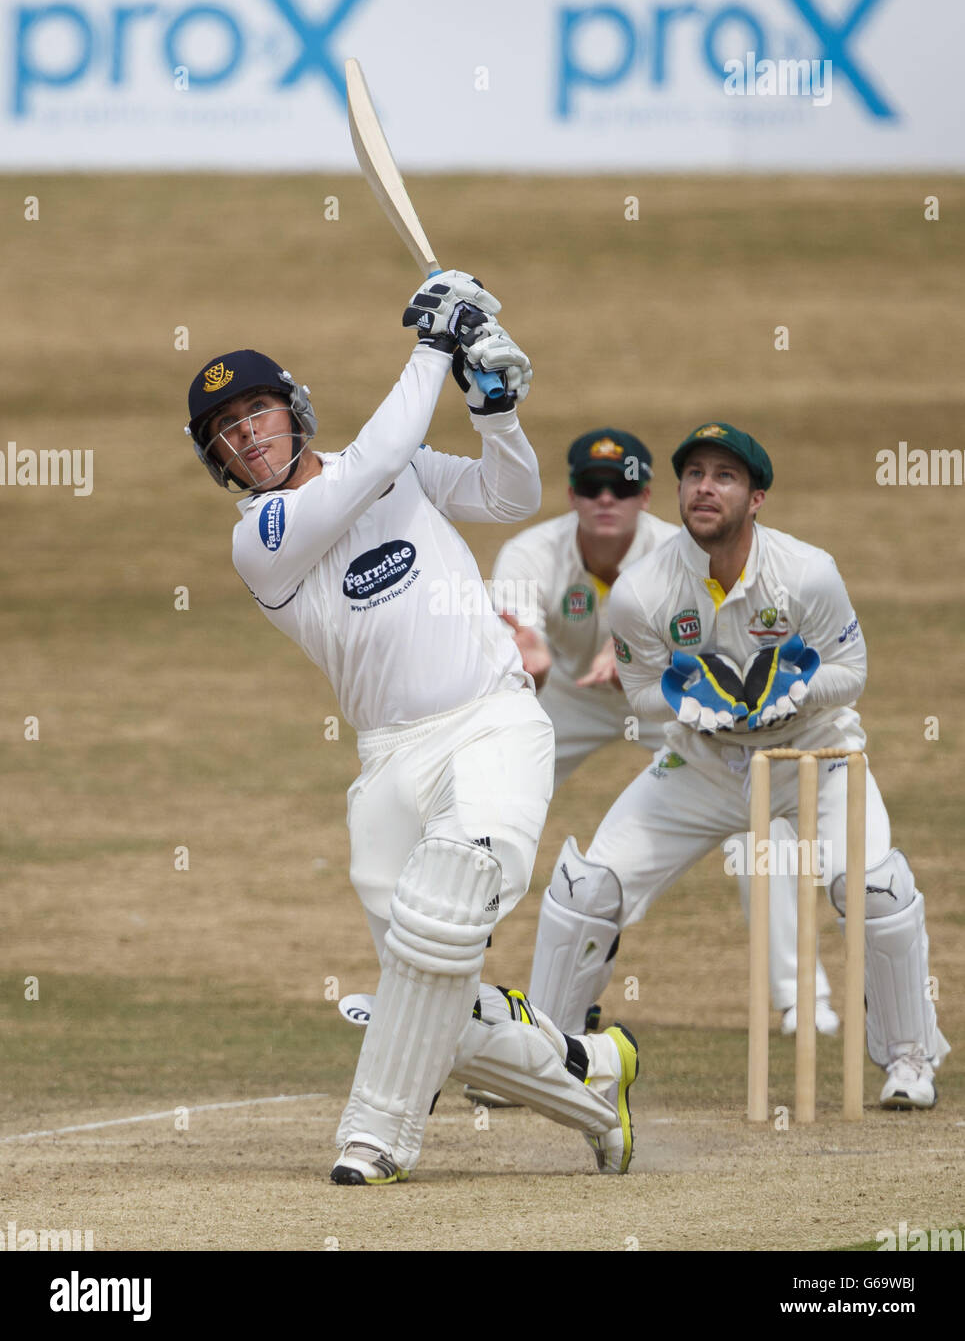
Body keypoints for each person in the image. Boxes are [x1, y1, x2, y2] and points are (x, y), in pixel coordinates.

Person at [183, 271, 639, 1183]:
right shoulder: (263, 537)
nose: (248, 436)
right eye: (229, 434)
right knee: (431, 988)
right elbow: (381, 453)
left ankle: (375, 1138)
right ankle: (593, 1076)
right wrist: (437, 343)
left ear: (294, 412)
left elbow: (508, 498)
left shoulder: (392, 468)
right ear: (221, 465)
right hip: (388, 759)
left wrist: (496, 409)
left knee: (442, 917)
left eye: (259, 413)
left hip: (491, 723)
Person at [527, 421, 948, 1109]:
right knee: (586, 891)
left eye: (724, 476)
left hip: (816, 755)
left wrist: (792, 692)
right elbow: (638, 690)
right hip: (700, 763)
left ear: (756, 497)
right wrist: (691, 704)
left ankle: (908, 1059)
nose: (704, 488)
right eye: (694, 475)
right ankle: (539, 1052)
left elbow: (853, 669)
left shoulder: (806, 572)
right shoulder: (641, 590)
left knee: (873, 891)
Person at [493, 429, 838, 1037]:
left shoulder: (673, 550)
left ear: (646, 496)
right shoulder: (530, 553)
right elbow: (522, 638)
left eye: (622, 488)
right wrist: (532, 653)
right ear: (571, 495)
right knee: (495, 790)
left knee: (766, 809)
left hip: (667, 699)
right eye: (592, 487)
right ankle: (465, 961)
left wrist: (626, 661)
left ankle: (800, 999)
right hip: (569, 697)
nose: (607, 500)